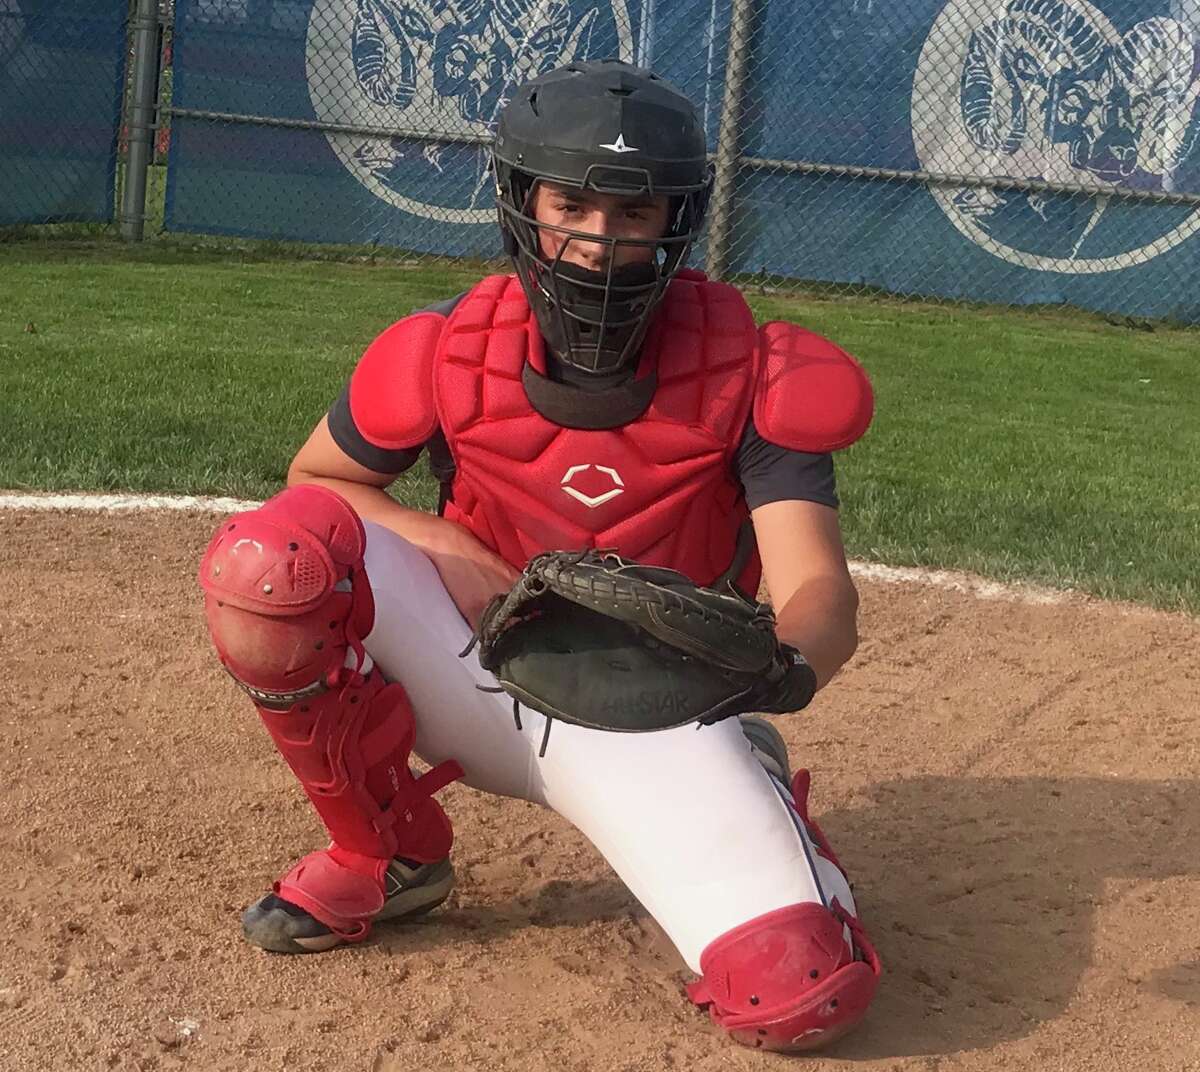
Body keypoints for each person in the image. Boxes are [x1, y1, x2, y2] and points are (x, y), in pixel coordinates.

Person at [198, 59, 881, 1053]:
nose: (600, 240)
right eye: (573, 205)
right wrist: (445, 540)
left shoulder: (754, 368)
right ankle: (387, 852)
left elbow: (819, 585)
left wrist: (782, 669)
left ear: (674, 220)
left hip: (658, 704)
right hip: (476, 665)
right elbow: (318, 484)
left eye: (634, 212)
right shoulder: (443, 351)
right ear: (524, 204)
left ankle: (758, 792)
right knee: (270, 562)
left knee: (800, 993)